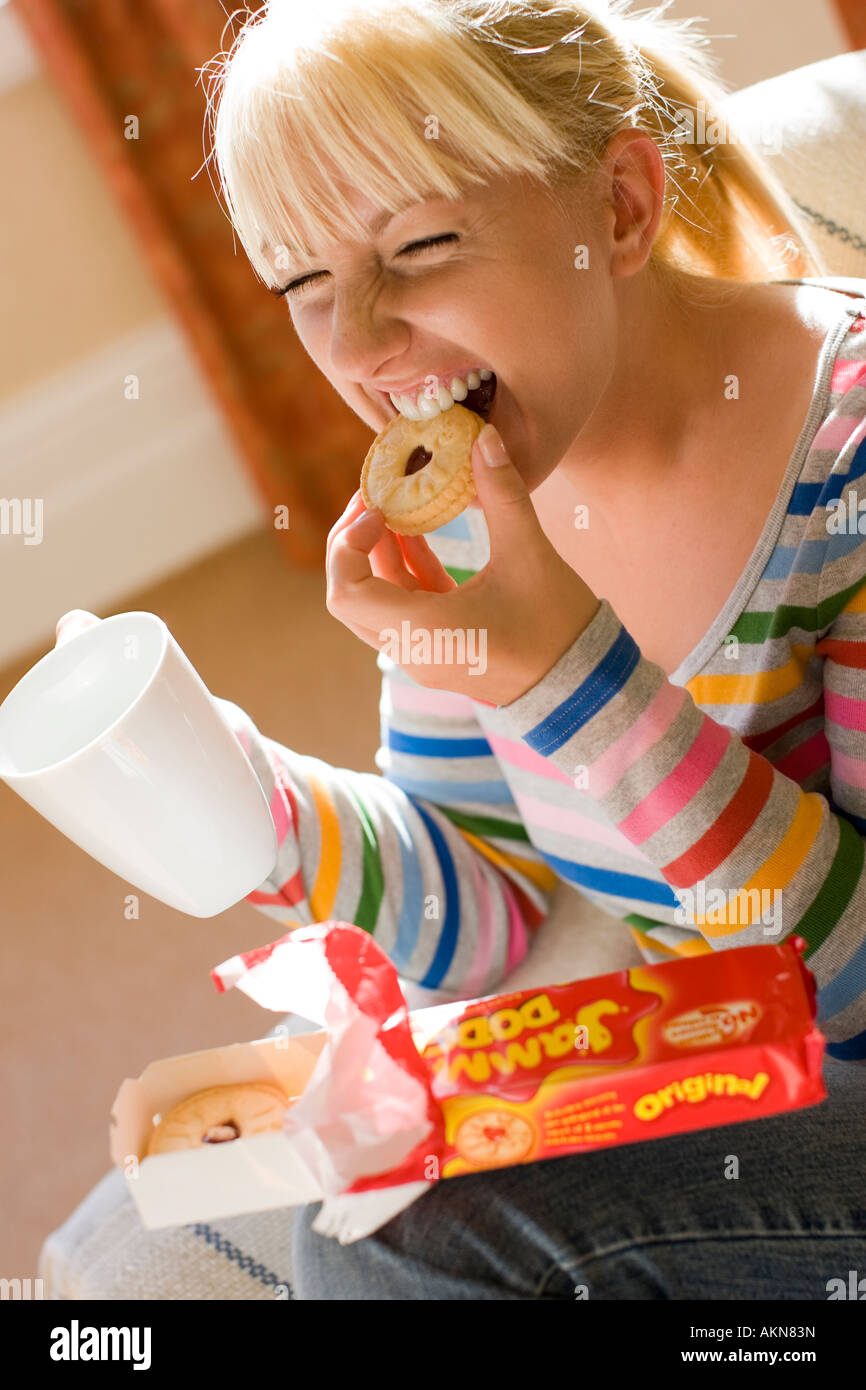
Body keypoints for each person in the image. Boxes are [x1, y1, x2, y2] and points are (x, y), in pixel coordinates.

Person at [198, 0, 866, 1297]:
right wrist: (242, 801)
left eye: (421, 244)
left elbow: (855, 999)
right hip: (723, 1054)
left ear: (618, 208)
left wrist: (571, 683)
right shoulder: (470, 507)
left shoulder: (841, 470)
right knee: (348, 1173)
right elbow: (488, 905)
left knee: (411, 1228)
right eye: (300, 281)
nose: (355, 340)